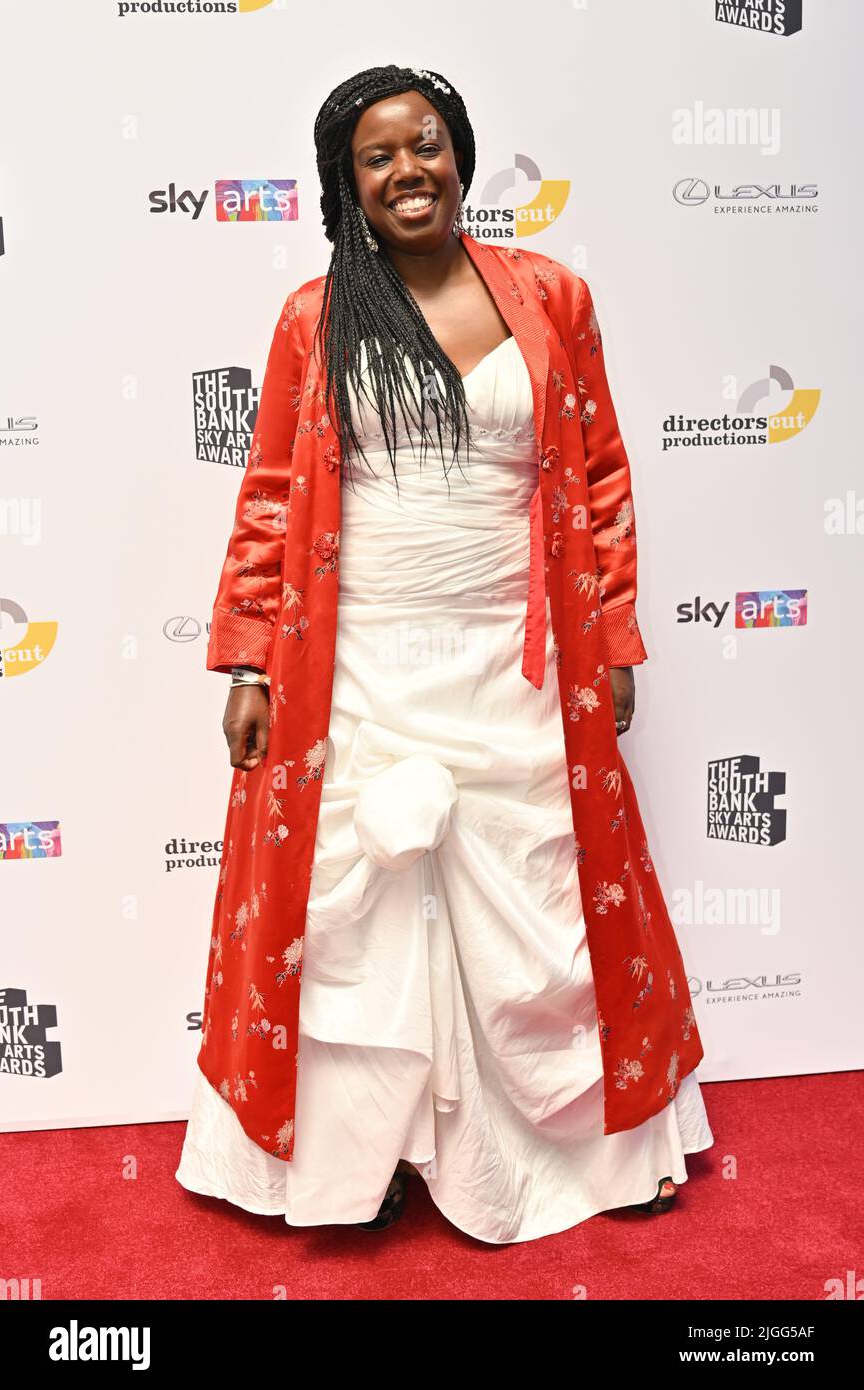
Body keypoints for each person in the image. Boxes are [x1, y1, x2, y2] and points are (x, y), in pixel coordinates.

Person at [175, 64, 714, 1244]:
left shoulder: (552, 295)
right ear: (346, 185)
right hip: (358, 666)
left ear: (460, 153)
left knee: (542, 901)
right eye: (378, 157)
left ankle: (588, 1151)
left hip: (520, 664)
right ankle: (366, 1158)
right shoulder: (314, 318)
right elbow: (271, 496)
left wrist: (612, 636)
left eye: (425, 144)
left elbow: (605, 476)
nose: (408, 170)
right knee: (362, 913)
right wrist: (254, 663)